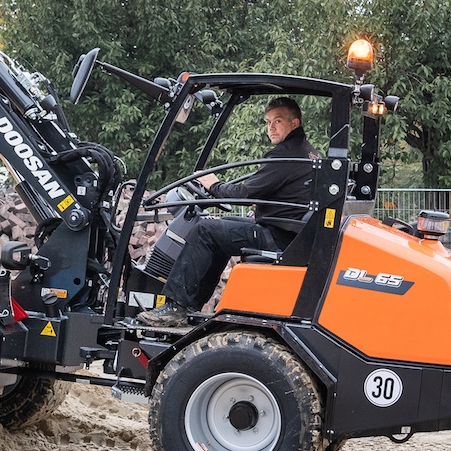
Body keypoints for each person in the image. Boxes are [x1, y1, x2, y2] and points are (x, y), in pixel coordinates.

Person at [137, 97, 319, 327]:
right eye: (268, 122)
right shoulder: (307, 152)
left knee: (205, 230)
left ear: (295, 123)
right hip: (287, 233)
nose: (270, 128)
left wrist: (213, 185)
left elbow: (245, 192)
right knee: (218, 230)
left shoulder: (286, 156)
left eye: (278, 121)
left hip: (277, 237)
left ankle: (176, 306)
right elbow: (272, 189)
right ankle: (190, 305)